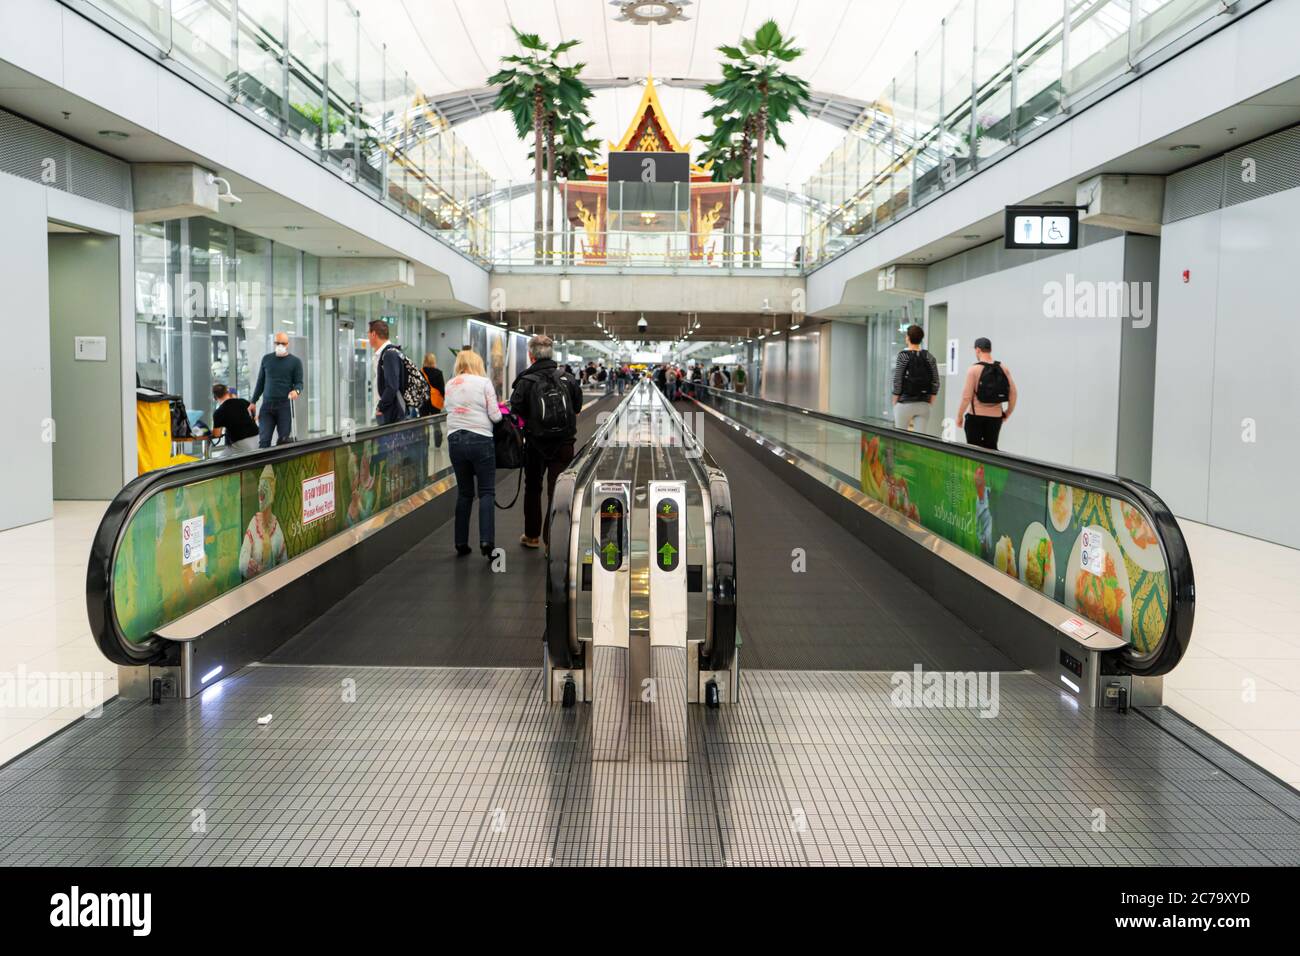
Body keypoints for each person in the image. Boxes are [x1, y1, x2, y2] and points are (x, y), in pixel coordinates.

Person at [510, 334, 583, 549]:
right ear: (552, 354)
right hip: (564, 444)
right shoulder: (567, 379)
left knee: (533, 488)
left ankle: (532, 536)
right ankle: (553, 542)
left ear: (531, 355)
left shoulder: (525, 381)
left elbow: (516, 413)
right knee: (557, 491)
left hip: (535, 444)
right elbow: (576, 408)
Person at [444, 349, 501, 557]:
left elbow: (446, 408)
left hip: (455, 440)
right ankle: (486, 541)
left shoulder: (450, 384)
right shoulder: (484, 382)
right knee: (486, 491)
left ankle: (460, 542)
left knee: (465, 492)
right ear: (477, 363)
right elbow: (495, 416)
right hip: (480, 439)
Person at [955, 336, 1017, 451]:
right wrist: (1007, 412)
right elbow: (1013, 394)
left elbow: (966, 397)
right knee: (992, 452)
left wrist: (959, 416)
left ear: (978, 350)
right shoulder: (1003, 368)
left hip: (975, 417)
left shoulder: (973, 370)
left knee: (974, 452)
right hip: (995, 418)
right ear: (990, 349)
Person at [250, 332, 303, 447]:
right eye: (277, 343)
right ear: (274, 343)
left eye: (283, 343)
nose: (280, 345)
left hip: (284, 405)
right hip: (267, 406)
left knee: (283, 441)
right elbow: (260, 382)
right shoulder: (267, 359)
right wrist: (253, 401)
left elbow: (299, 383)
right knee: (264, 441)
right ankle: (264, 464)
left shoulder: (295, 362)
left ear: (288, 344)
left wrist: (296, 391)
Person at [891, 324, 940, 432]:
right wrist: (929, 402)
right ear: (921, 339)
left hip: (904, 403)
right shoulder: (929, 356)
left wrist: (895, 402)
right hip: (923, 404)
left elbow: (898, 380)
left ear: (908, 338)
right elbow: (936, 381)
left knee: (901, 438)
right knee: (920, 441)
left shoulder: (903, 356)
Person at [367, 319, 405, 424]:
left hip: (390, 413)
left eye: (368, 334)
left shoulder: (389, 354)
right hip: (388, 411)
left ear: (374, 334)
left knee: (387, 440)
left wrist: (381, 406)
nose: (368, 338)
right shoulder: (386, 353)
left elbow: (392, 386)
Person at [210, 383, 259, 455]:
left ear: (215, 397)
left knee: (221, 461)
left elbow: (217, 434)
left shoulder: (219, 412)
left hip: (242, 444)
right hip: (258, 438)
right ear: (228, 392)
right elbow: (253, 417)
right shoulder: (243, 401)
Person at [421, 352, 446, 447]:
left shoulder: (420, 372)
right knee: (436, 423)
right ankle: (437, 443)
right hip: (435, 402)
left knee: (423, 424)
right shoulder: (438, 373)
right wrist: (444, 399)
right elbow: (442, 389)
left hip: (423, 401)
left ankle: (425, 442)